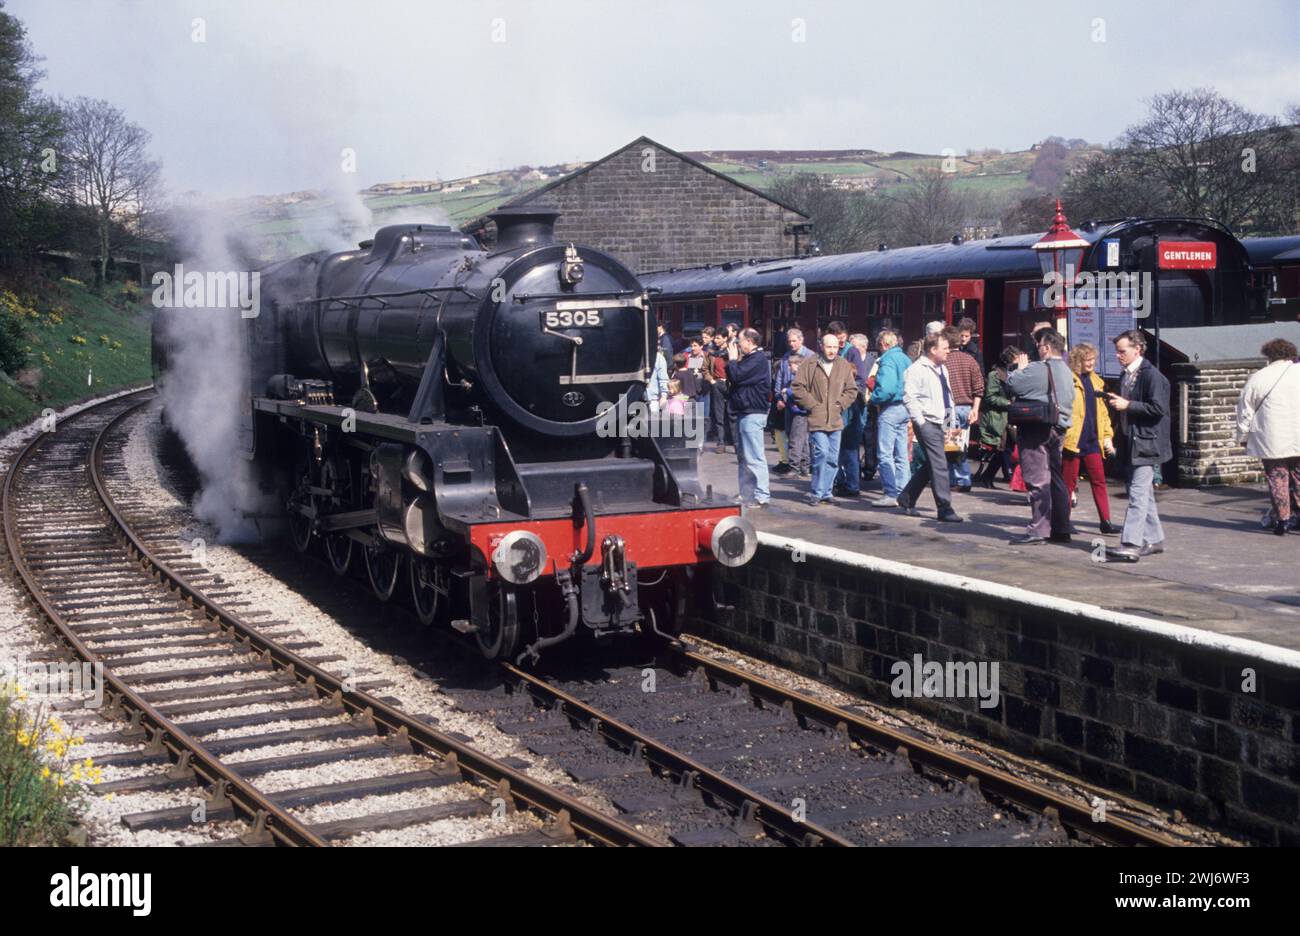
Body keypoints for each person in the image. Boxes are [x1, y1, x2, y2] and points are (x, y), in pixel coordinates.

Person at [1105, 330, 1171, 561]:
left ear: (1138, 349)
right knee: (1144, 494)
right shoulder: (1127, 374)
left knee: (1137, 495)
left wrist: (1128, 405)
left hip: (1146, 445)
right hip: (1133, 442)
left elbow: (1158, 409)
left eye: (1122, 351)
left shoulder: (1152, 376)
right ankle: (1154, 540)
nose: (1118, 355)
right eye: (1117, 351)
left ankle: (1131, 544)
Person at [1006, 327, 1074, 545]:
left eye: (1039, 345)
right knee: (1056, 480)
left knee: (1037, 480)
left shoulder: (1037, 368)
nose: (1037, 349)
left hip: (1038, 429)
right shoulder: (1066, 369)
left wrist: (1019, 368)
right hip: (1060, 428)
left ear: (1045, 347)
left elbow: (1012, 384)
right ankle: (1061, 528)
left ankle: (1039, 531)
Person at [1235, 338, 1300, 536]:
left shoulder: (1258, 378)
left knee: (1277, 477)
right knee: (1298, 477)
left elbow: (1245, 410)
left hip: (1271, 438)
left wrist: (1242, 436)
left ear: (1269, 356)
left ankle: (1283, 521)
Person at [897, 332, 964, 523]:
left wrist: (952, 421)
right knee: (940, 464)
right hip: (928, 422)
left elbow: (947, 395)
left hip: (944, 422)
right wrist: (921, 421)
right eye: (945, 348)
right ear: (933, 350)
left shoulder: (943, 368)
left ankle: (907, 497)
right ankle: (945, 508)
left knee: (935, 462)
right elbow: (909, 397)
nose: (948, 351)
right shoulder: (917, 369)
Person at [792, 332, 859, 506]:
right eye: (829, 346)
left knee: (832, 457)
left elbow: (852, 390)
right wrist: (813, 405)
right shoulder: (810, 363)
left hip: (836, 419)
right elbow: (798, 387)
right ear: (821, 346)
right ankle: (816, 492)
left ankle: (827, 492)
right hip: (817, 418)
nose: (832, 350)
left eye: (835, 347)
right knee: (821, 453)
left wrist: (840, 404)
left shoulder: (843, 365)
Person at [1063, 343, 1118, 535]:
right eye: (1087, 359)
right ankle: (1063, 522)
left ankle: (1106, 521)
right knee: (1068, 484)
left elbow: (1102, 414)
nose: (1091, 363)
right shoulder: (1069, 381)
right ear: (1077, 360)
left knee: (1099, 480)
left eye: (1093, 359)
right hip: (1074, 440)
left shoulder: (1096, 382)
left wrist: (1107, 437)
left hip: (1092, 440)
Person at [726, 328, 772, 508]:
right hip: (744, 411)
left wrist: (731, 360)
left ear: (750, 342)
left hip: (753, 412)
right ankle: (747, 493)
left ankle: (762, 495)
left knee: (754, 456)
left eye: (740, 340)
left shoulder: (757, 360)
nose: (738, 344)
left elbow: (737, 376)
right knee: (744, 457)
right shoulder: (749, 359)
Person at [870, 329, 912, 506]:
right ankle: (904, 491)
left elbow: (886, 389)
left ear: (884, 344)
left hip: (890, 409)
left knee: (885, 453)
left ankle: (890, 494)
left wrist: (873, 398)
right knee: (901, 453)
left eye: (879, 346)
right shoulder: (905, 359)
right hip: (905, 408)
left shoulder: (887, 360)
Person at [941, 326, 983, 493]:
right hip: (967, 408)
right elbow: (979, 387)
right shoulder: (970, 360)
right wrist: (975, 408)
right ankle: (958, 479)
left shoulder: (944, 361)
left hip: (949, 409)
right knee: (959, 446)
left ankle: (961, 480)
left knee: (951, 447)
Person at [834, 333, 872, 498]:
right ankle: (849, 483)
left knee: (847, 451)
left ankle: (850, 484)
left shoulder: (850, 393)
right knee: (850, 452)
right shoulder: (855, 391)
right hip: (853, 419)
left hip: (848, 421)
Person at [974, 346, 1019, 489]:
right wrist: (1008, 403)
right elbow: (990, 397)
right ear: (1010, 359)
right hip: (999, 418)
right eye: (1017, 358)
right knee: (1002, 449)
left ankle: (988, 477)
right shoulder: (995, 375)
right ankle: (989, 477)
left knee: (1006, 449)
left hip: (1011, 418)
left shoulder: (1019, 374)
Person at [775, 327, 815, 478]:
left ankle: (794, 467)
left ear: (801, 340)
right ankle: (805, 466)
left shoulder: (810, 356)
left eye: (794, 341)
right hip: (788, 402)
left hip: (801, 403)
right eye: (789, 341)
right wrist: (779, 397)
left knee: (796, 436)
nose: (791, 344)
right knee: (798, 435)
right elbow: (780, 378)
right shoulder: (786, 357)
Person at [707, 329, 732, 452]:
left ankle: (734, 441)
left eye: (718, 338)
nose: (715, 340)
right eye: (715, 338)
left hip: (731, 384)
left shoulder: (732, 351)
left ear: (725, 338)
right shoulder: (711, 353)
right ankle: (721, 442)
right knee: (719, 414)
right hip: (717, 383)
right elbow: (705, 369)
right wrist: (711, 380)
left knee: (732, 414)